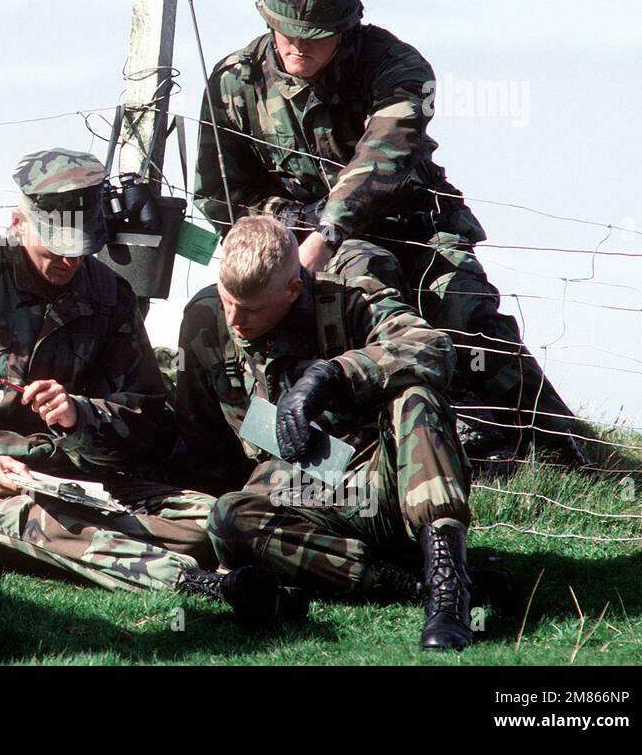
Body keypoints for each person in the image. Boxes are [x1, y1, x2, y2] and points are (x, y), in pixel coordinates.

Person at [193, 0, 588, 467]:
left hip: (416, 228)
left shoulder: (397, 67)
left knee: (466, 310)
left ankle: (566, 452)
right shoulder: (233, 84)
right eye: (285, 32)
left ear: (347, 26)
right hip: (303, 246)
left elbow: (384, 159)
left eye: (316, 36)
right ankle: (370, 451)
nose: (297, 48)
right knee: (344, 312)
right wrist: (287, 229)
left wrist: (328, 231)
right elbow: (223, 198)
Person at [0, 148, 304, 621]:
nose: (67, 260)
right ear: (17, 222)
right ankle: (205, 586)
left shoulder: (109, 294)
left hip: (73, 476)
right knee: (42, 522)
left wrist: (80, 415)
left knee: (211, 521)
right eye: (54, 244)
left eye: (80, 247)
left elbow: (143, 414)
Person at [184, 215, 475, 649]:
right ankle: (397, 582)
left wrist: (334, 374)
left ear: (293, 289)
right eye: (228, 301)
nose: (236, 319)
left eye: (252, 309)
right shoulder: (206, 321)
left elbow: (433, 349)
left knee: (416, 397)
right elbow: (199, 436)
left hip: (383, 486)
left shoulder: (346, 299)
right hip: (303, 499)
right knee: (228, 516)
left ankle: (449, 592)